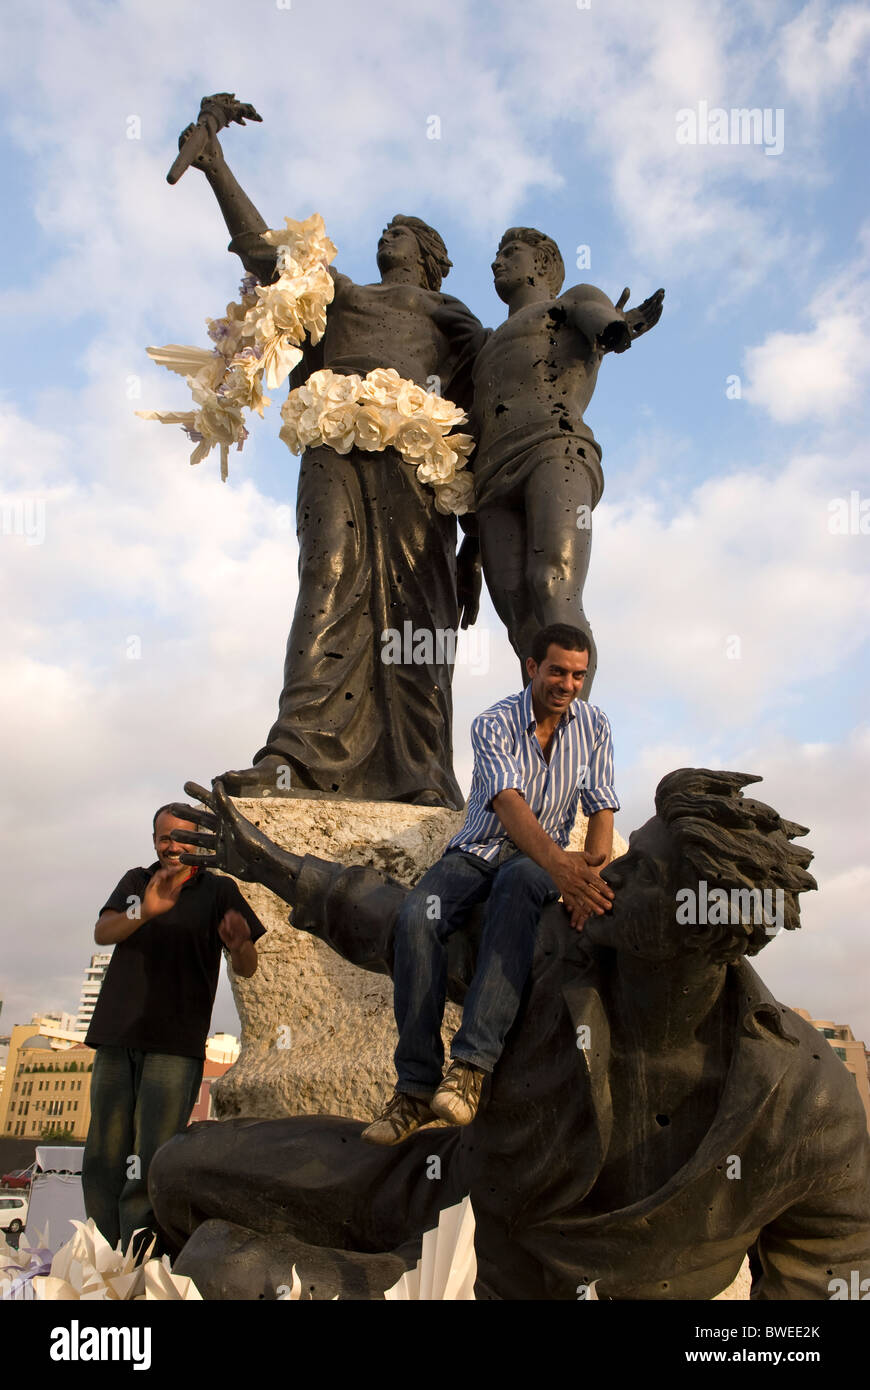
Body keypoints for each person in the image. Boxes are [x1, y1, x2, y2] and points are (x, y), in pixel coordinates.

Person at [152, 769, 870, 1302]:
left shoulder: (804, 1103)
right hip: (447, 1185)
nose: (609, 871)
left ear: (696, 923)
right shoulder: (558, 945)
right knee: (180, 1168)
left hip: (496, 1281)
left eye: (642, 872)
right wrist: (268, 862)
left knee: (227, 1268)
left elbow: (822, 1285)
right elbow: (407, 926)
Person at [180, 110, 486, 808]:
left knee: (417, 611)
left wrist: (475, 554)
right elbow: (267, 258)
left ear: (429, 256)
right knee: (325, 578)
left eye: (401, 230)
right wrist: (215, 165)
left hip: (420, 461)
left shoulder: (451, 318)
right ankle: (297, 757)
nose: (387, 235)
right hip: (334, 442)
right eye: (387, 229)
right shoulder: (340, 293)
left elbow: (494, 411)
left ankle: (421, 773)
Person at [362, 620, 618, 1143]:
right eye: (557, 671)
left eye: (578, 675)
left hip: (533, 866)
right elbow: (507, 803)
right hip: (478, 851)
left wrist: (589, 874)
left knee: (519, 885)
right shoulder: (493, 722)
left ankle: (472, 1067)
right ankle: (413, 1088)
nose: (567, 684)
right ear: (531, 668)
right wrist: (560, 865)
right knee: (416, 917)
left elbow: (602, 805)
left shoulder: (596, 725)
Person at [471, 227, 663, 694]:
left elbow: (599, 319)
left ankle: (572, 727)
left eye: (510, 253)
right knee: (518, 612)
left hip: (555, 448)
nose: (497, 263)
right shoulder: (485, 347)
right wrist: (466, 550)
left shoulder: (569, 302)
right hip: (491, 481)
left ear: (543, 263)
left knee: (552, 582)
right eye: (496, 255)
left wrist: (617, 328)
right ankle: (538, 734)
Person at [81, 804, 265, 1256]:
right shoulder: (135, 882)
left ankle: (138, 1258)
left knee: (151, 1158)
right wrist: (145, 910)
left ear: (202, 842)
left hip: (175, 1046)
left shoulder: (221, 891)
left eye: (183, 838)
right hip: (116, 1036)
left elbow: (246, 967)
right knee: (104, 1154)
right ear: (154, 840)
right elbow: (104, 932)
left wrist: (239, 944)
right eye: (165, 837)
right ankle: (98, 1257)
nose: (173, 846)